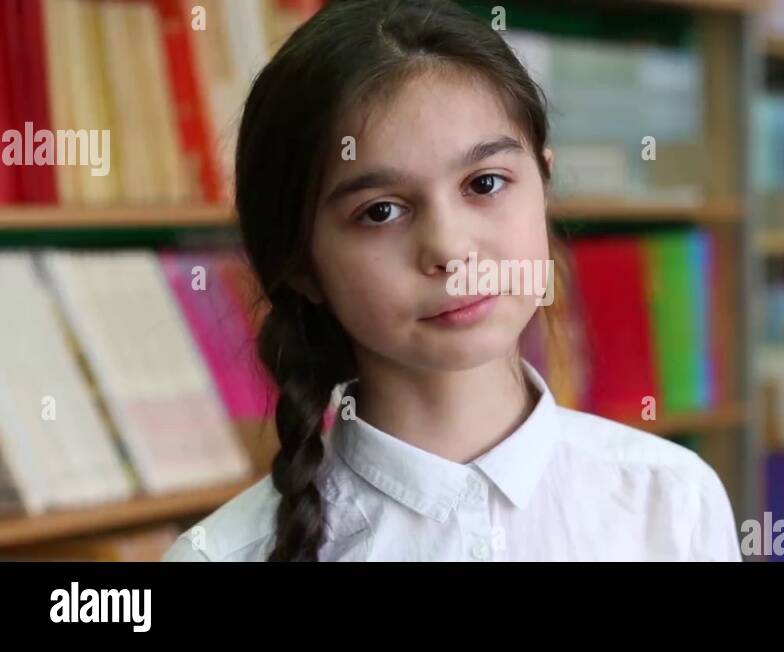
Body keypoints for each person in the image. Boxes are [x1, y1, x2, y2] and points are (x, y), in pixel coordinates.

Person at [162, 0, 741, 562]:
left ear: (544, 182)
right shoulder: (220, 556)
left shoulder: (673, 500)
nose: (449, 248)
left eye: (485, 184)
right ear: (302, 266)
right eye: (380, 211)